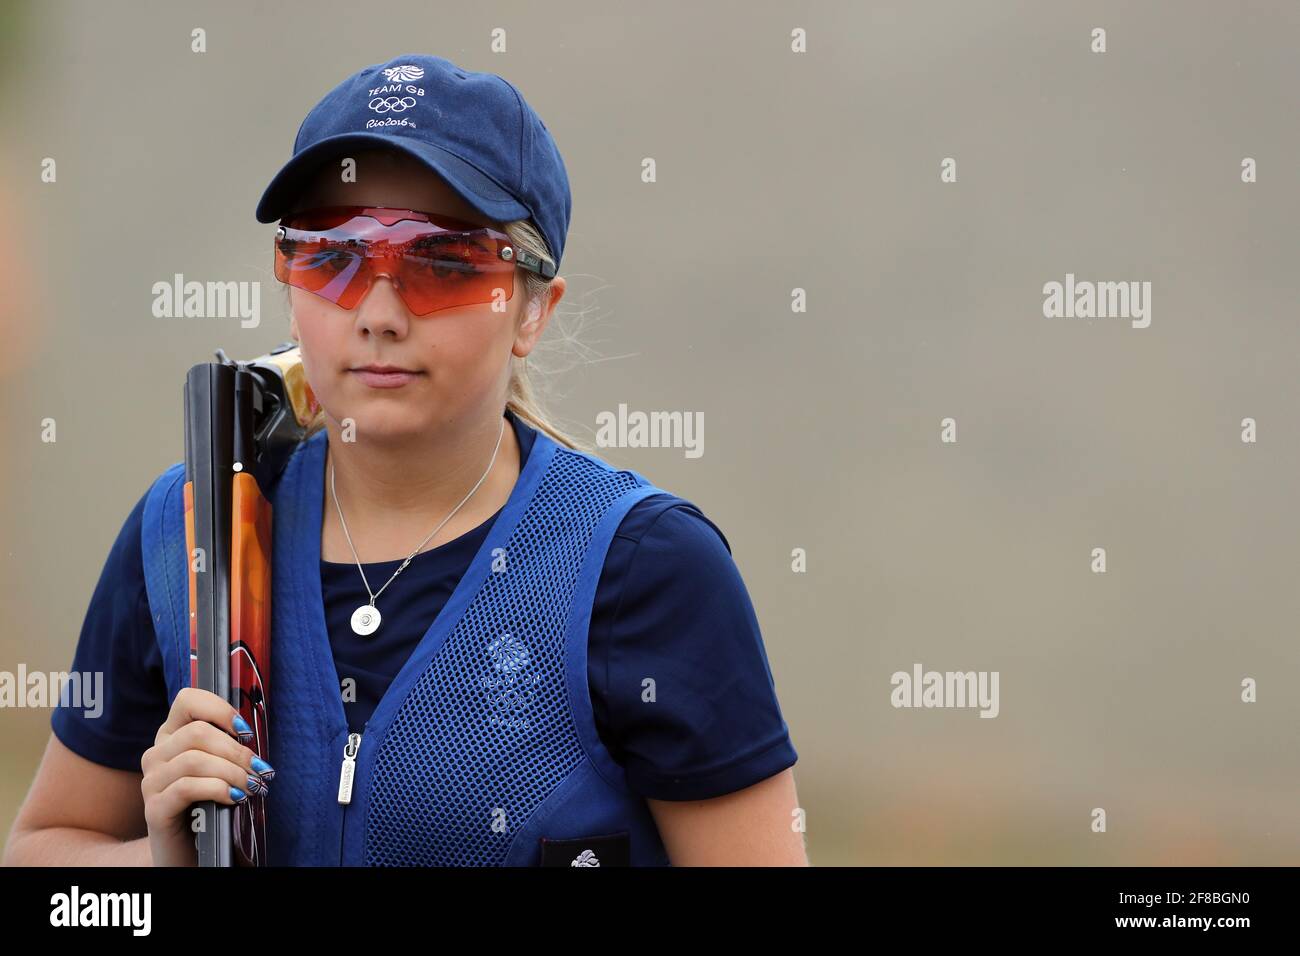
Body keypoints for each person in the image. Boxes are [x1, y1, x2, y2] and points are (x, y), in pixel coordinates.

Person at [4, 54, 806, 867]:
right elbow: (48, 861)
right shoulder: (189, 532)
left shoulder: (648, 570)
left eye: (444, 262)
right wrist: (159, 863)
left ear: (533, 311)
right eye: (332, 254)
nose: (379, 313)